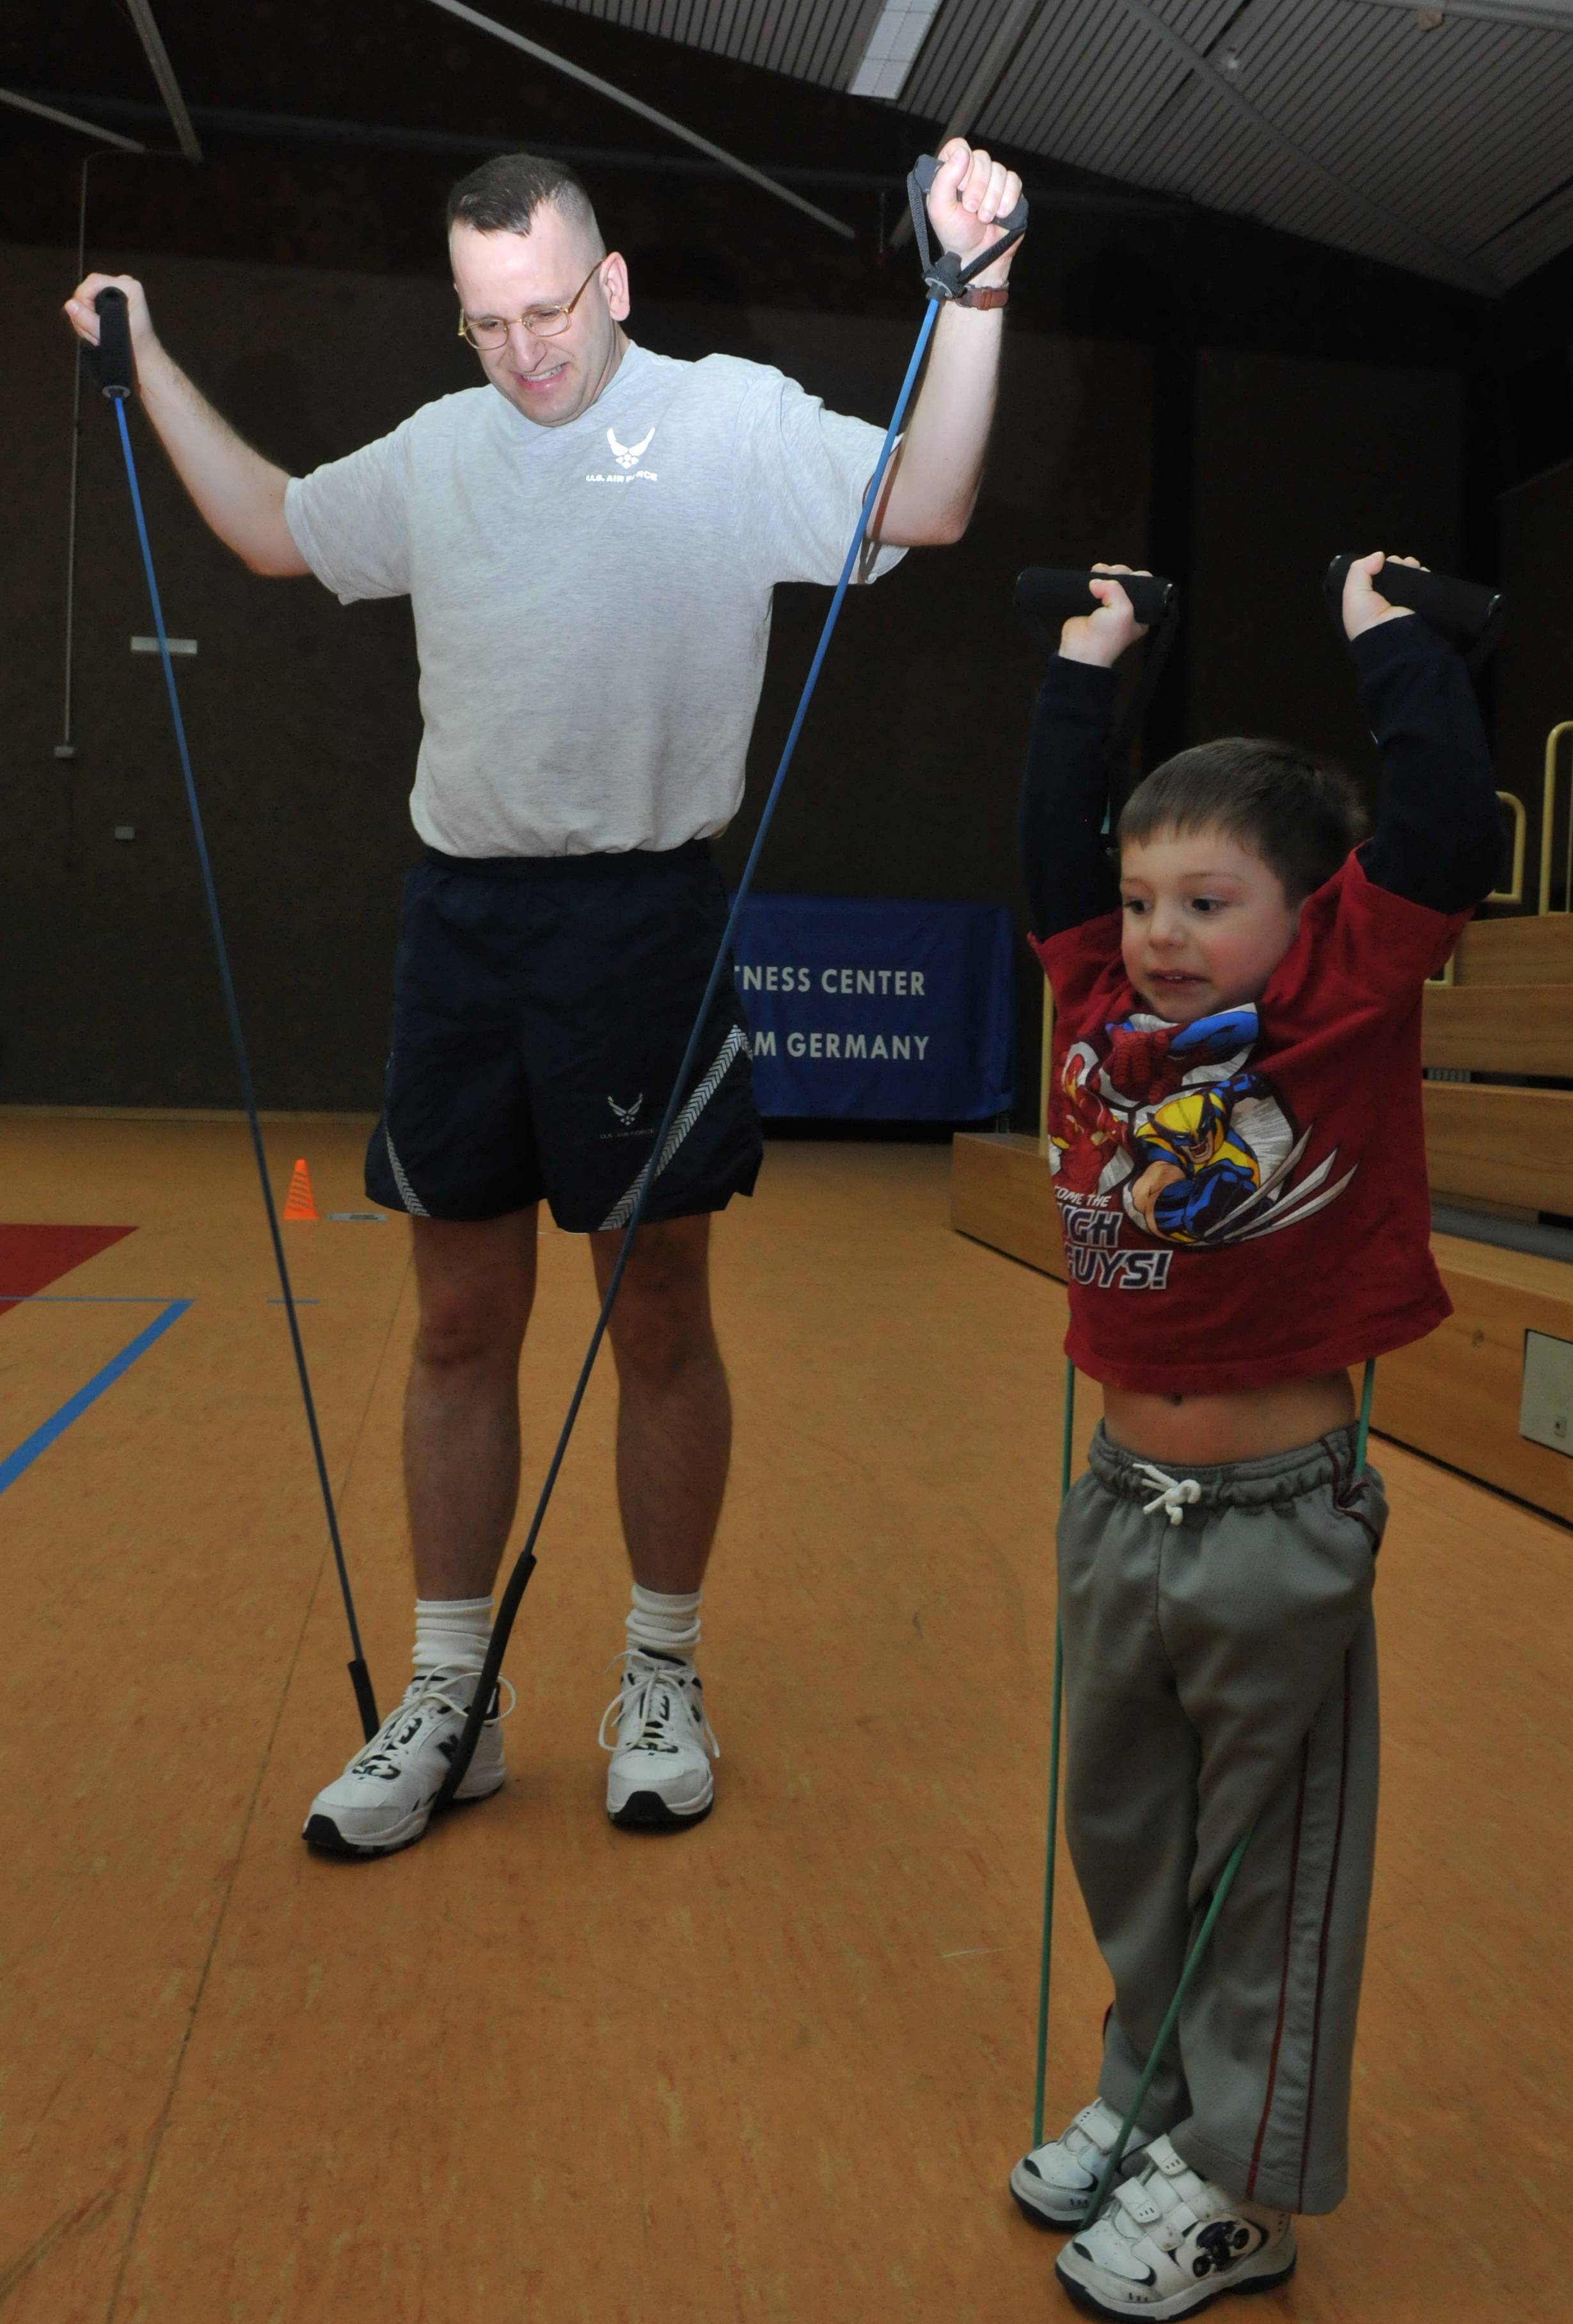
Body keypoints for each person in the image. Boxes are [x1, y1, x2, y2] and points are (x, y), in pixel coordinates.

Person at [65, 138, 1024, 1855]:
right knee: (452, 1323)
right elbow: (282, 530)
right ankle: (450, 1699)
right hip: (463, 926)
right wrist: (146, 367)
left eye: (551, 307)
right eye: (488, 320)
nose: (526, 350)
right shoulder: (445, 452)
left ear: (613, 285)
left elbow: (927, 499)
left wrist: (978, 293)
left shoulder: (727, 422)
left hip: (640, 922)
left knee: (652, 1315)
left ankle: (661, 1670)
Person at [1008, 555, 1502, 2323]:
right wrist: (1088, 656)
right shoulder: (1099, 1017)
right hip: (1113, 1507)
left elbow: (1442, 823)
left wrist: (1382, 630)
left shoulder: (1336, 1007)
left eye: (1205, 901)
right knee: (1128, 1832)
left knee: (1265, 1867)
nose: (1153, 931)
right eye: (1142, 898)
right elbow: (1050, 847)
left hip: (1271, 1521)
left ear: (1308, 915)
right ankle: (1153, 2097)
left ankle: (1241, 2186)